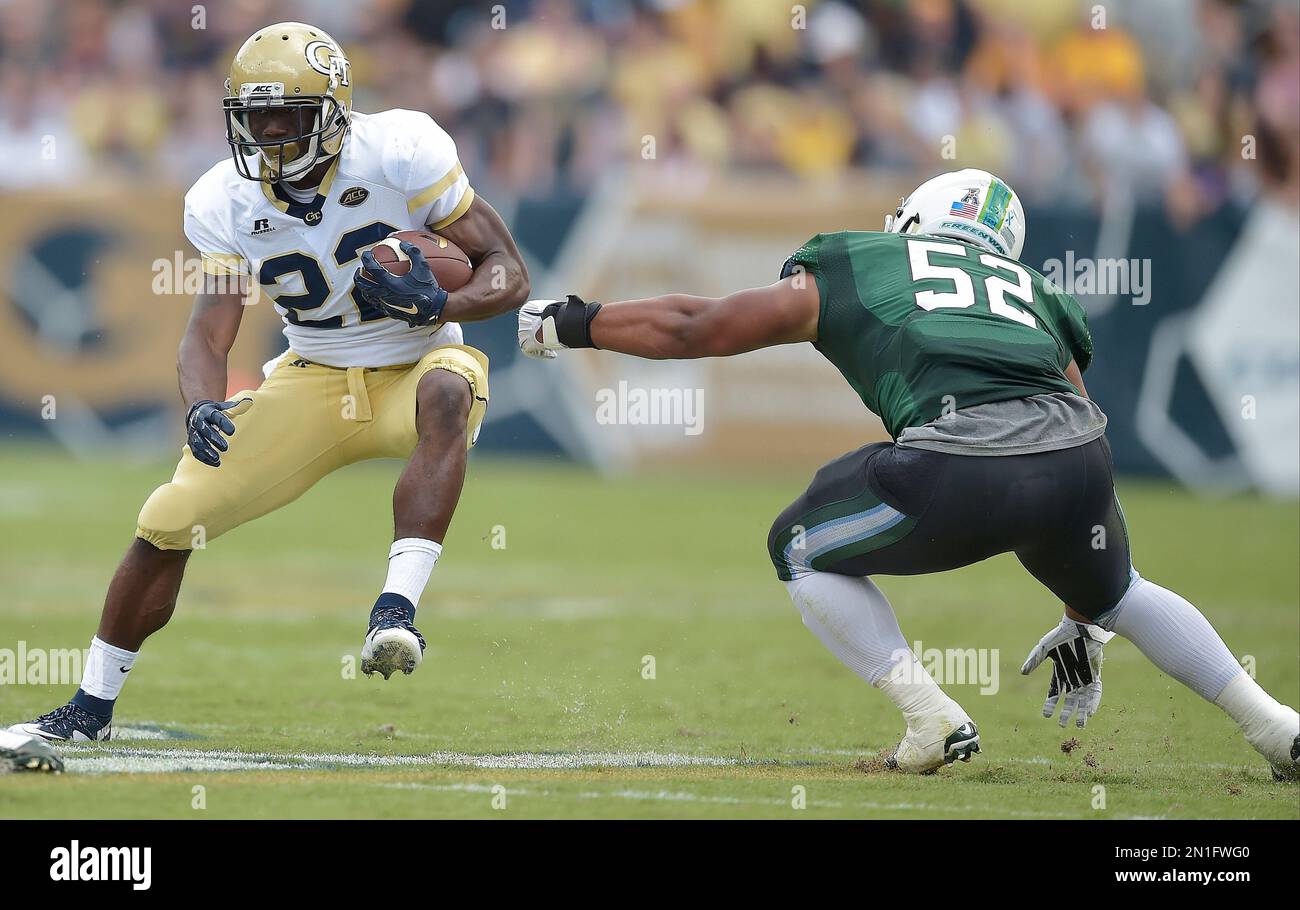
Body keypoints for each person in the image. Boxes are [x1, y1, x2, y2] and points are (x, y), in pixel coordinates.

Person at [518, 168, 1299, 778]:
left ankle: (930, 717)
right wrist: (1084, 607)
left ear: (919, 219)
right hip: (1078, 467)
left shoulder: (862, 258)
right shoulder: (1034, 292)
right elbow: (1071, 424)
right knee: (1125, 592)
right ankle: (1275, 725)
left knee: (797, 543)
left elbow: (703, 325)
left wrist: (579, 321)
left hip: (956, 461)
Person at [9, 22, 530, 743]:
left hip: (418, 360)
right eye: (257, 117)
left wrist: (443, 305)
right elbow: (209, 328)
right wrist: (200, 405)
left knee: (448, 392)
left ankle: (396, 611)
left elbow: (509, 272)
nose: (272, 133)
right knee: (168, 517)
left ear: (337, 112)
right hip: (311, 374)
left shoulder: (403, 151)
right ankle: (88, 710)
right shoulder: (221, 198)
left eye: (290, 115)